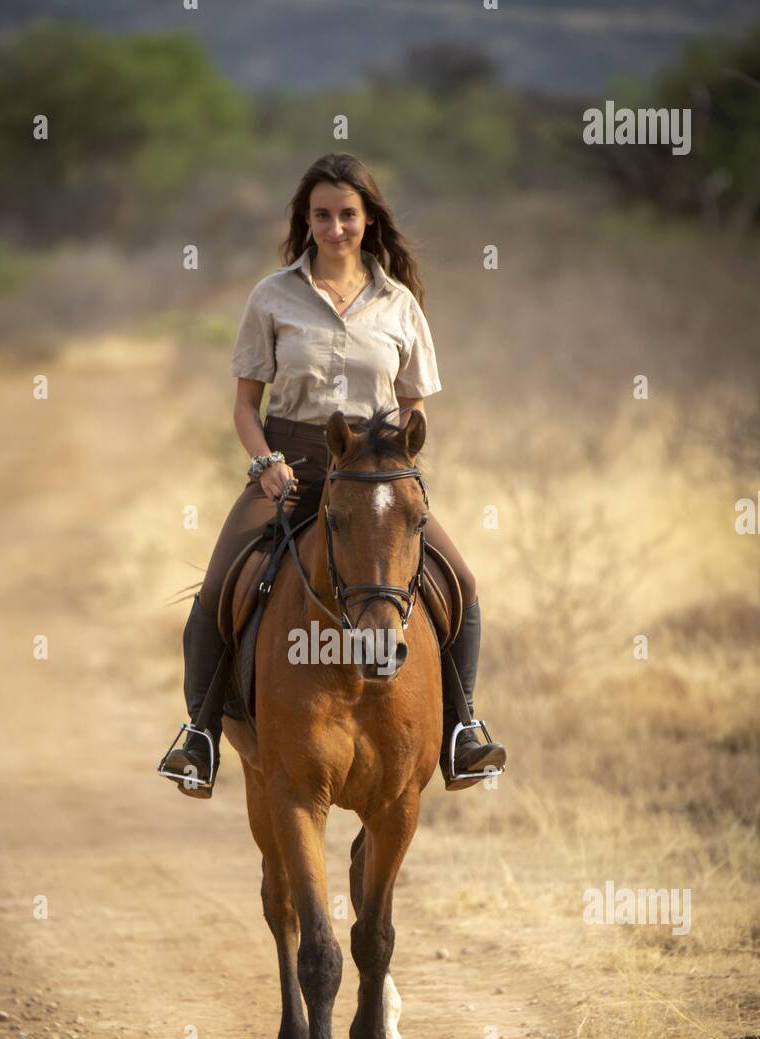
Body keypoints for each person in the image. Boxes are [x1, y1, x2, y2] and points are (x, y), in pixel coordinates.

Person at [161, 153, 506, 797]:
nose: (335, 227)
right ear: (307, 220)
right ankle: (201, 736)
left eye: (348, 214)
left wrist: (401, 461)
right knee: (217, 588)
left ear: (369, 219)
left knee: (460, 578)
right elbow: (244, 404)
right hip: (289, 469)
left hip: (375, 479)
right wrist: (265, 463)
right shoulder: (271, 296)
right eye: (322, 215)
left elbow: (414, 405)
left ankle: (462, 730)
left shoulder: (399, 303)